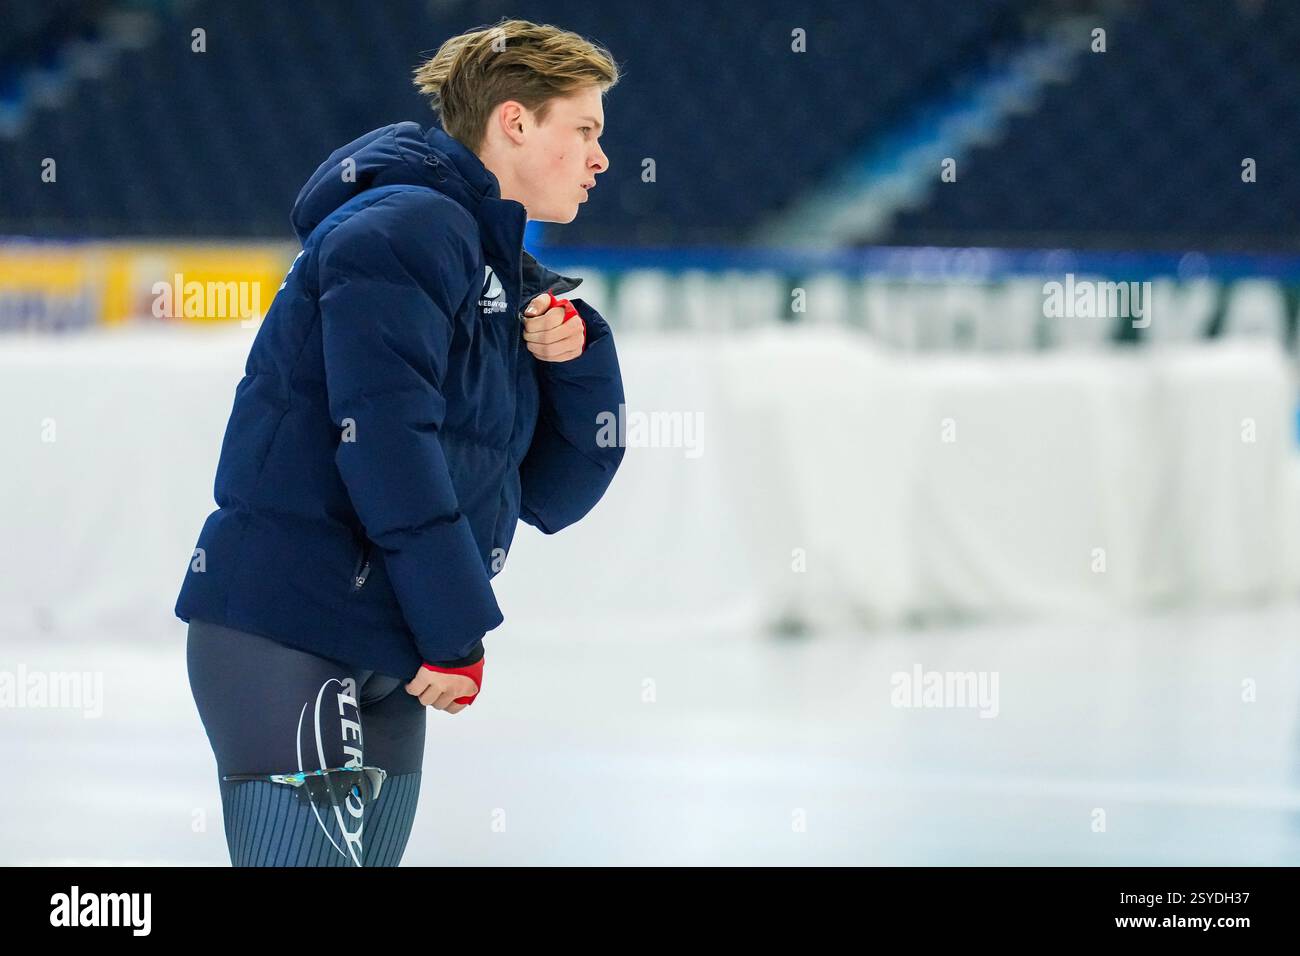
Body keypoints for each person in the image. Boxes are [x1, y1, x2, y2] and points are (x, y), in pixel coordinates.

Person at [176, 18, 625, 866]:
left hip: (391, 652)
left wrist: (576, 361)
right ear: (516, 123)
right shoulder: (404, 233)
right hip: (291, 631)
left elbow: (553, 495)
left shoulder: (497, 273)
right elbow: (384, 441)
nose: (602, 159)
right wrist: (458, 634)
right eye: (588, 130)